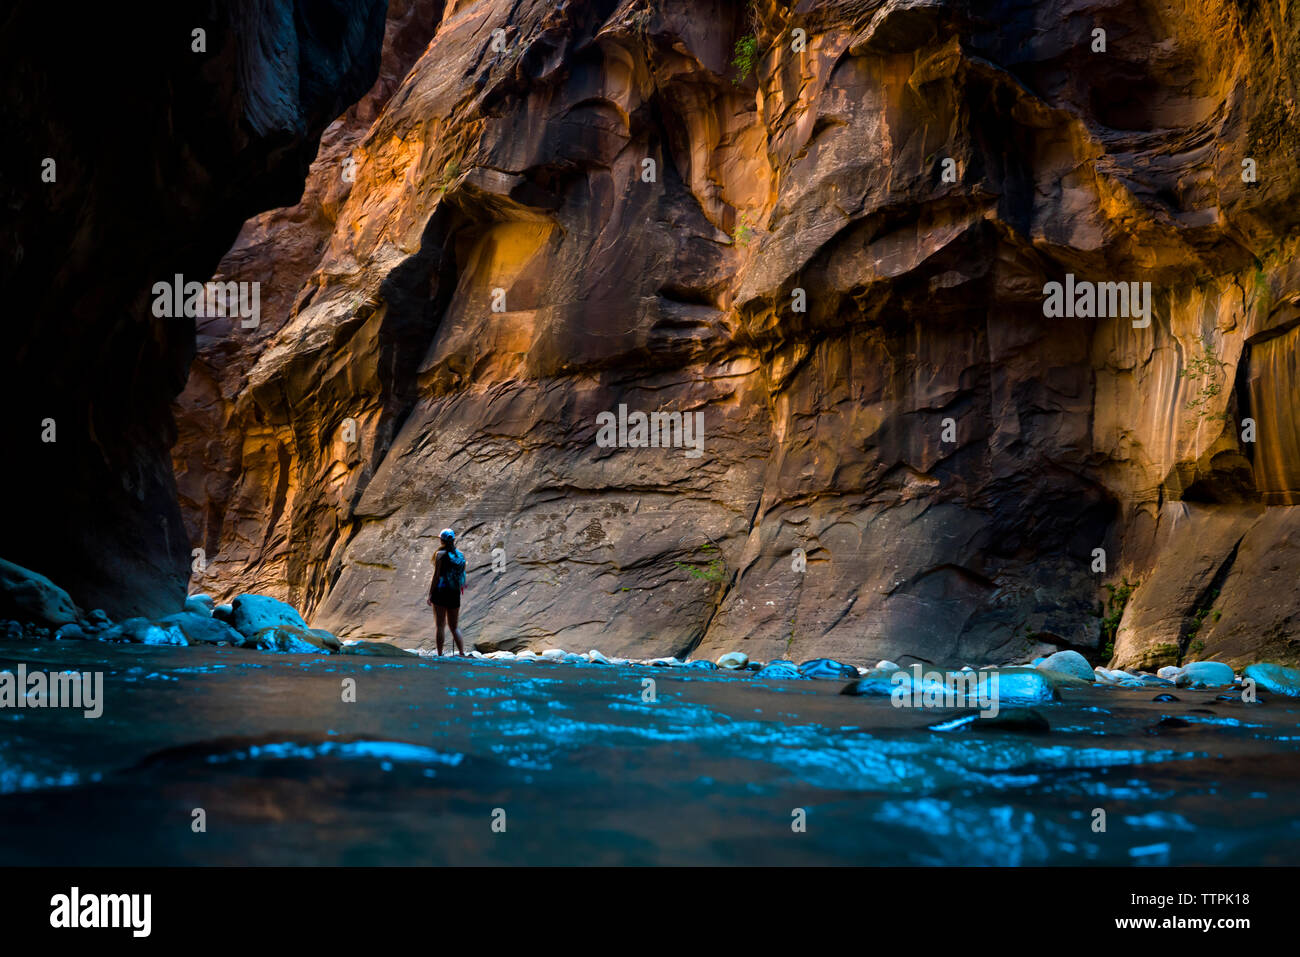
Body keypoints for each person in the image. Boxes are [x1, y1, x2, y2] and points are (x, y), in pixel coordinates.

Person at [427, 528, 467, 656]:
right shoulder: (461, 555)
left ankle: (439, 654)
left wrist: (430, 594)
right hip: (454, 593)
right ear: (453, 540)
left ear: (441, 540)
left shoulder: (440, 555)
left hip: (440, 591)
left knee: (440, 625)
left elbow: (436, 576)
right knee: (454, 627)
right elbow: (462, 574)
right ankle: (461, 653)